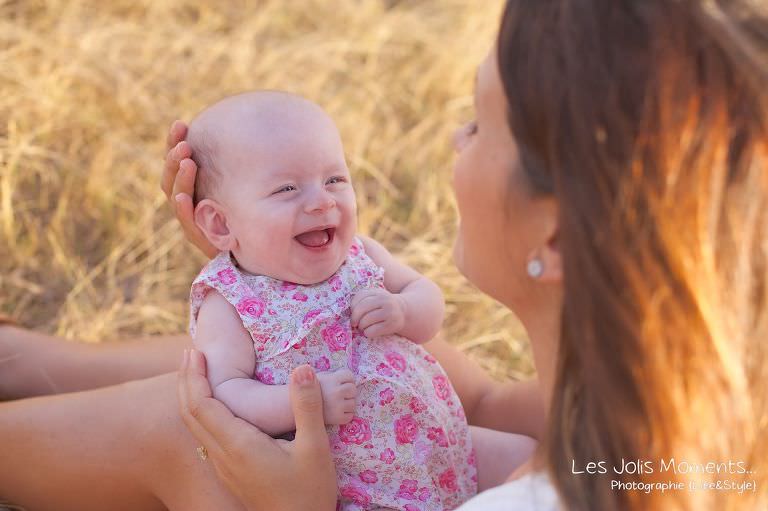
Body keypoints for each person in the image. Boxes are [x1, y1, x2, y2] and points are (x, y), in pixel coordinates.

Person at [1, 0, 765, 510]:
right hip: (421, 420)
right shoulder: (673, 428)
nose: (453, 141)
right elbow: (496, 405)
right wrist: (261, 263)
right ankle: (22, 361)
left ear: (557, 234)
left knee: (188, 430)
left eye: (477, 125)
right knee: (419, 368)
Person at [182, 90, 533, 508]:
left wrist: (404, 310)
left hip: (445, 443)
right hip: (361, 484)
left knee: (532, 461)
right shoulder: (228, 300)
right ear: (220, 223)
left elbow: (428, 298)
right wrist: (305, 405)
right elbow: (225, 390)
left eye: (335, 179)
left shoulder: (360, 254)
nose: (322, 200)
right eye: (287, 189)